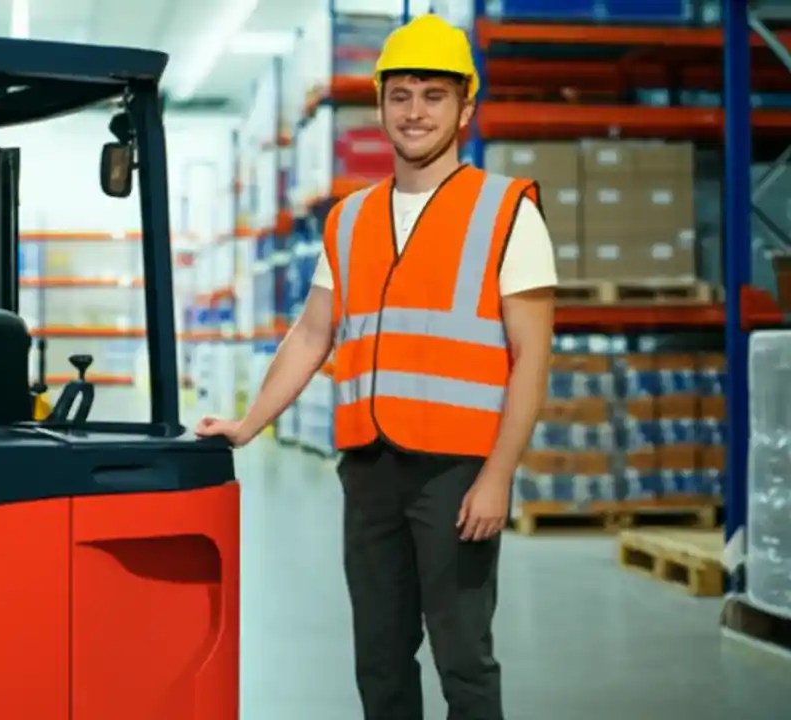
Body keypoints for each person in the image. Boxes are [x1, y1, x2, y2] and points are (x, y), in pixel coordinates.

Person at [195, 13, 556, 720]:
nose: (414, 112)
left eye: (433, 95)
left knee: (463, 661)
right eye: (400, 95)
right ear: (381, 106)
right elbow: (313, 333)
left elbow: (532, 357)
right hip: (369, 469)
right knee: (380, 661)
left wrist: (497, 476)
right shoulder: (350, 219)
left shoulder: (507, 211)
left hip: (457, 474)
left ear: (465, 108)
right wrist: (248, 423)